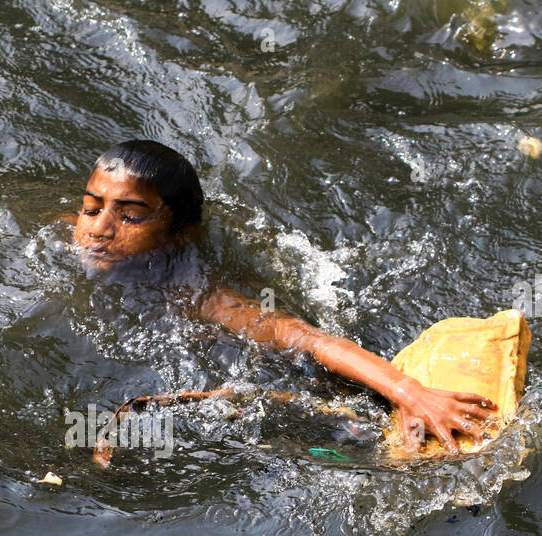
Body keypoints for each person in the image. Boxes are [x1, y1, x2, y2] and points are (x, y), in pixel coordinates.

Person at [67, 139, 497, 454]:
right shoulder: (65, 238)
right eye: (91, 208)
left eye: (130, 216)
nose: (99, 229)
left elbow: (310, 340)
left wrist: (410, 392)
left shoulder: (201, 299)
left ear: (181, 232)